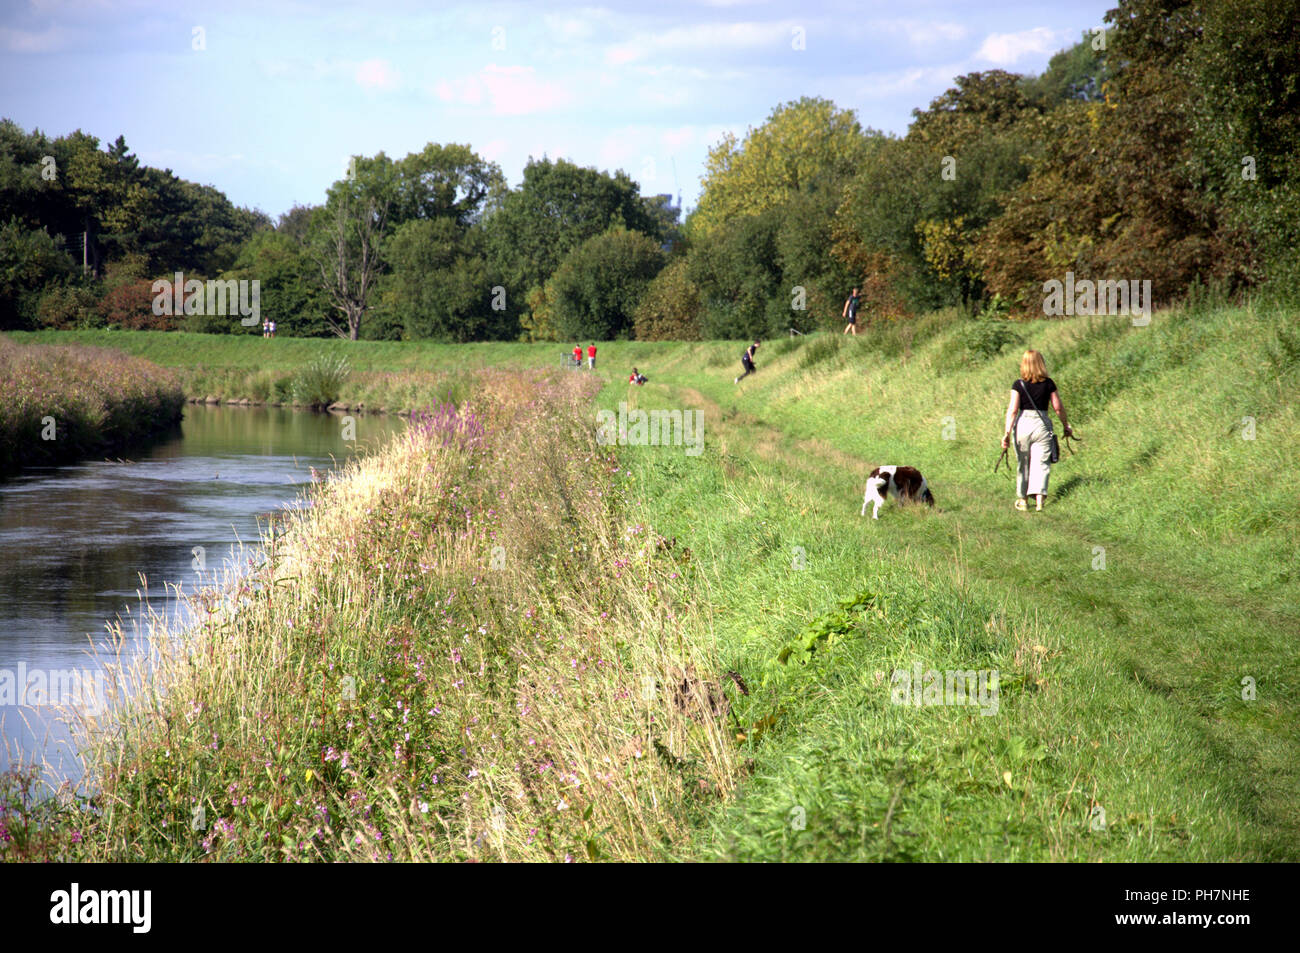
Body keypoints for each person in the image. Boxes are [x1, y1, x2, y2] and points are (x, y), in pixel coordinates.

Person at [1002, 349, 1074, 512]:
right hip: (1042, 424)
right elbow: (1057, 407)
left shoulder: (1018, 385)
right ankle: (1040, 501)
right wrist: (1065, 425)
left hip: (1023, 425)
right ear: (1041, 363)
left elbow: (1013, 410)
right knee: (1041, 463)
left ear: (1024, 364)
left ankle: (1023, 500)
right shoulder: (1049, 384)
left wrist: (1006, 433)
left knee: (1024, 463)